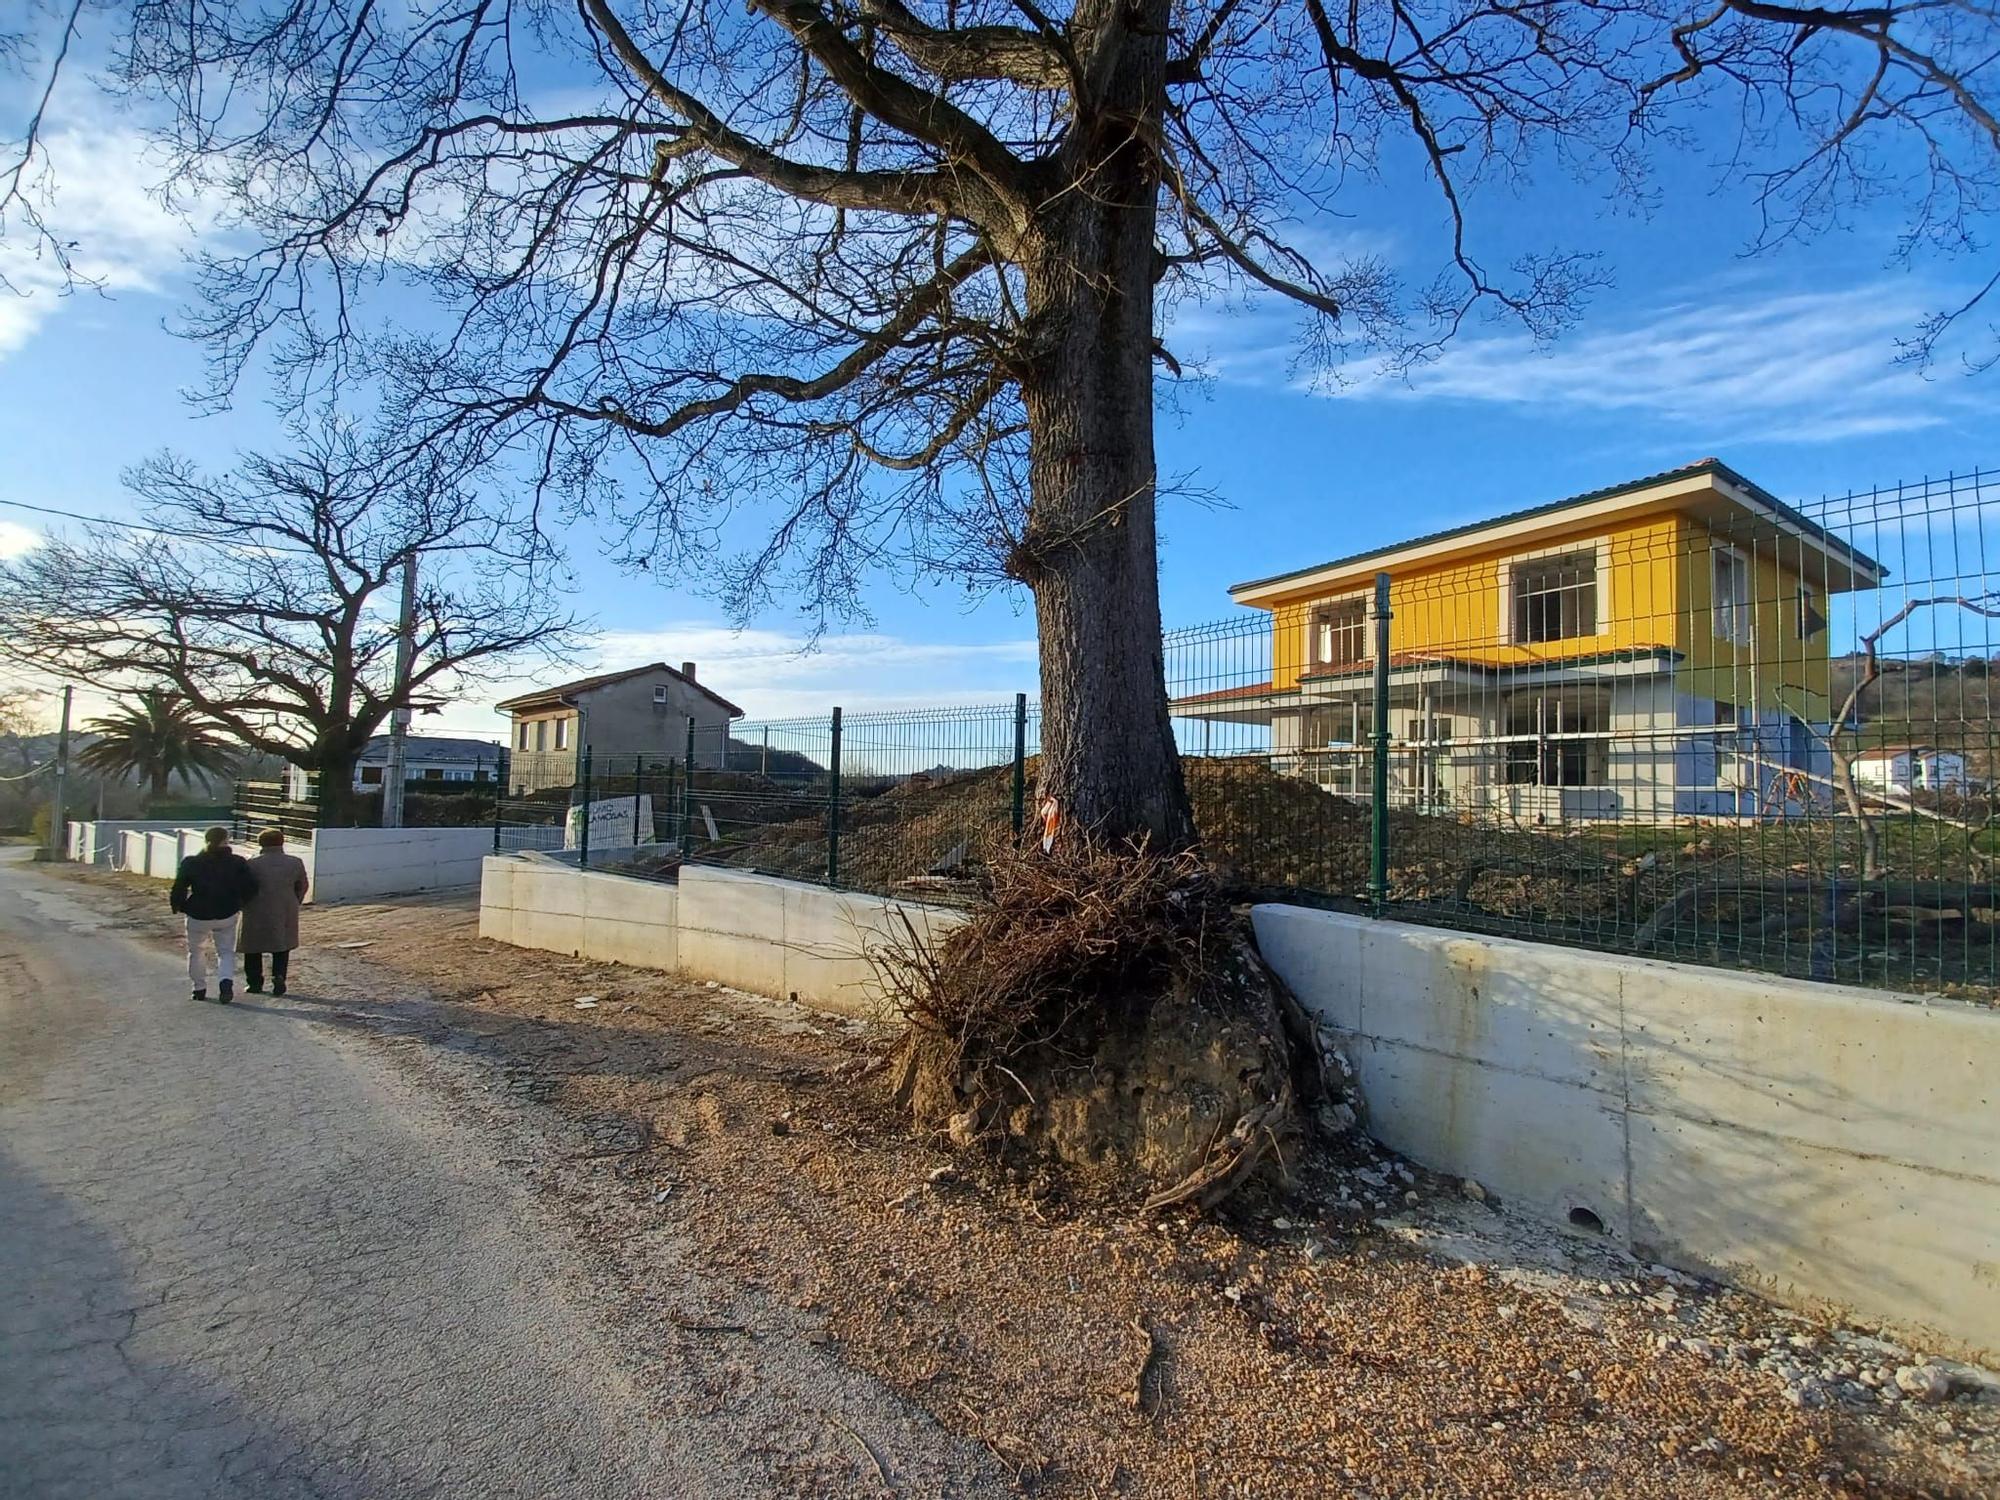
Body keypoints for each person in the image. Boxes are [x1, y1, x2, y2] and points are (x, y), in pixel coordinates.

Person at [170, 826, 257, 1003]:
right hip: (227, 912)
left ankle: (199, 988)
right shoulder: (237, 862)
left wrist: (179, 905)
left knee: (196, 951)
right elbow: (251, 886)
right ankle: (225, 983)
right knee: (225, 952)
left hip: (197, 913)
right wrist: (240, 903)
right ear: (226, 840)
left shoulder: (191, 862)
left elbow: (179, 887)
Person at [240, 827, 310, 996]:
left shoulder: (251, 863)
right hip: (285, 907)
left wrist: (243, 904)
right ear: (281, 842)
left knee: (253, 947)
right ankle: (279, 976)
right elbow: (303, 885)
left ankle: (255, 982)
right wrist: (295, 901)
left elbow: (243, 887)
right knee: (281, 945)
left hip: (255, 907)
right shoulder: (295, 862)